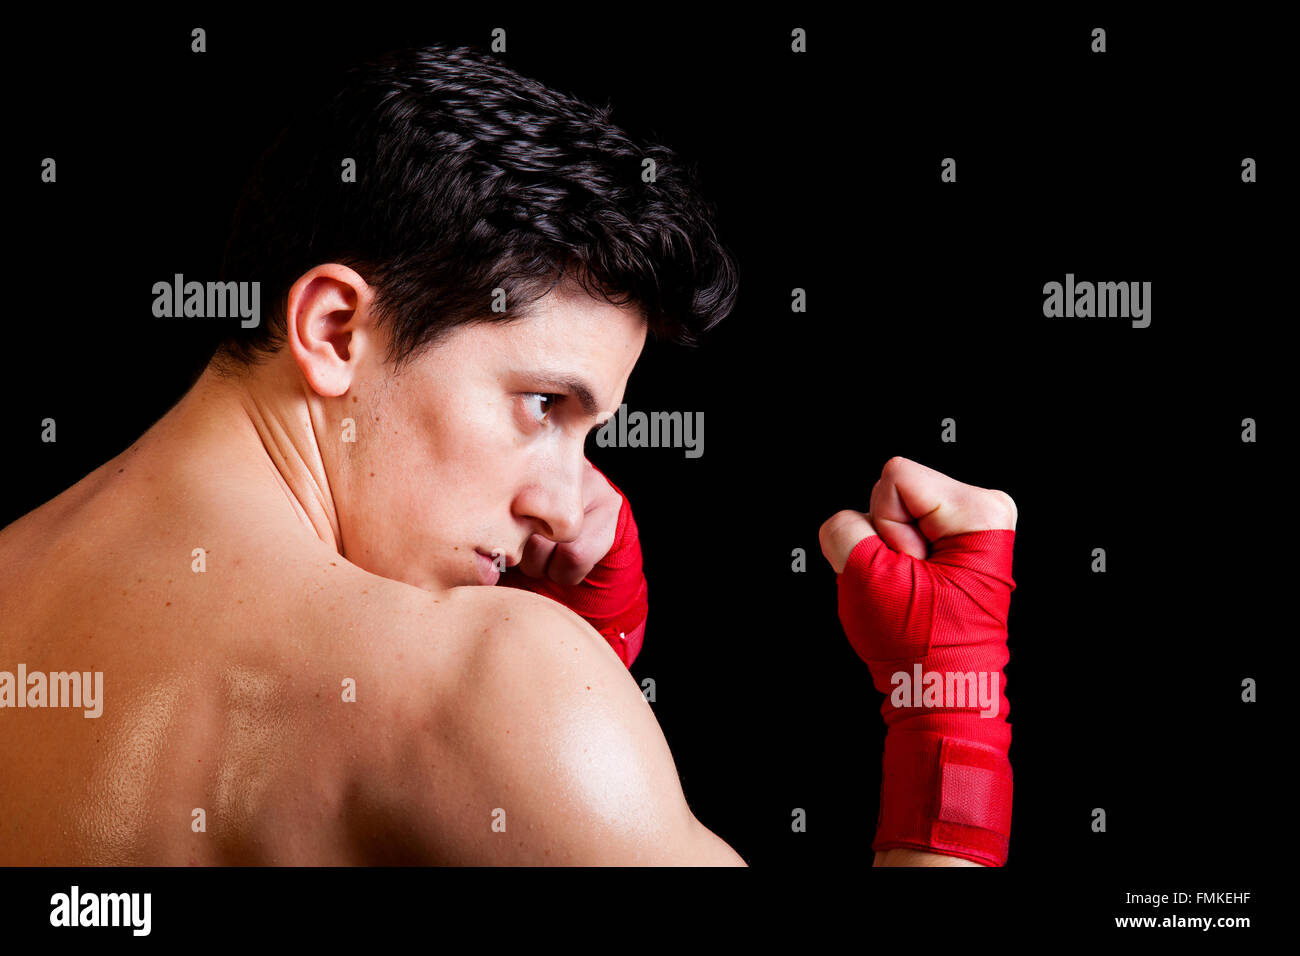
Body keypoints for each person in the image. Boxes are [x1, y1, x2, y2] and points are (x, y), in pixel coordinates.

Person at [0, 44, 1017, 866]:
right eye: (542, 403)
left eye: (589, 434)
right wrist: (950, 714)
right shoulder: (493, 682)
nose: (571, 504)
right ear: (336, 328)